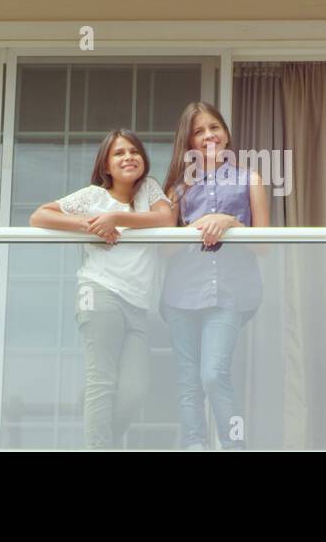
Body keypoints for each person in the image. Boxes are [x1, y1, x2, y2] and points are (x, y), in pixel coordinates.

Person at [30, 129, 173, 449]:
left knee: (135, 390)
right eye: (119, 153)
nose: (129, 157)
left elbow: (166, 219)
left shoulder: (149, 190)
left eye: (134, 151)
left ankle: (101, 442)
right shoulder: (93, 197)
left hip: (137, 303)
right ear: (106, 165)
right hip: (99, 291)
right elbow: (39, 216)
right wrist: (91, 225)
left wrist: (116, 218)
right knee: (102, 382)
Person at [161, 101, 269, 449]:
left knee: (213, 374)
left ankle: (234, 445)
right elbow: (163, 250)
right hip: (181, 294)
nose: (209, 135)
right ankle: (195, 445)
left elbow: (264, 245)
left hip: (230, 293)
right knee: (188, 381)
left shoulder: (250, 179)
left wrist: (231, 222)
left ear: (226, 133)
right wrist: (192, 229)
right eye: (199, 131)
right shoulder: (178, 190)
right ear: (189, 142)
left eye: (214, 127)